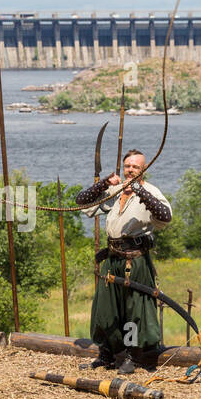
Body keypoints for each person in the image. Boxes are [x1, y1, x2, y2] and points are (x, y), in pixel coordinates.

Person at [74, 148, 172, 374]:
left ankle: (132, 356)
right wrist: (103, 184)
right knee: (106, 309)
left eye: (135, 167)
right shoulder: (115, 191)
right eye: (127, 166)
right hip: (112, 259)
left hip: (135, 262)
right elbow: (82, 202)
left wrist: (140, 191)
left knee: (133, 311)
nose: (130, 170)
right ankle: (106, 355)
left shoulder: (151, 191)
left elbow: (165, 217)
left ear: (143, 169)